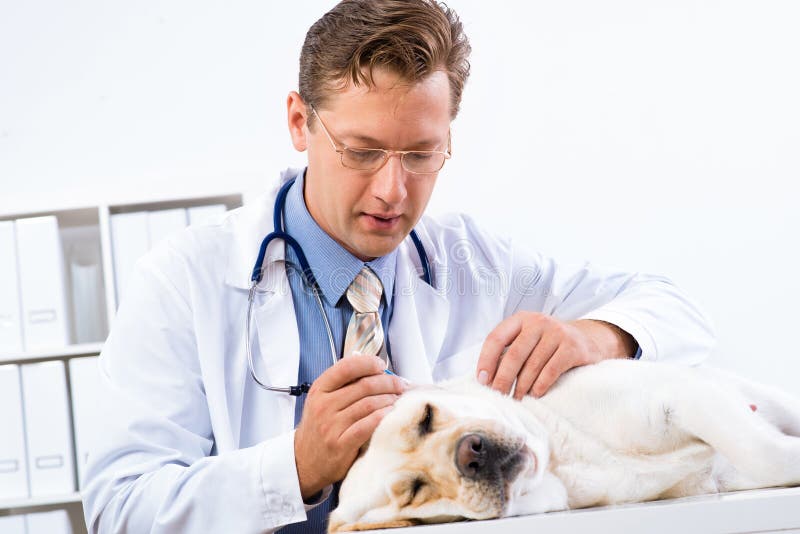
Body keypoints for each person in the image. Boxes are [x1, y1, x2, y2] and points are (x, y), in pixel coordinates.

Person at [82, 1, 716, 532]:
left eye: (421, 154)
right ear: (300, 122)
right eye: (361, 152)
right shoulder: (184, 280)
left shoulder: (475, 263)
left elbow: (676, 311)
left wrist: (595, 337)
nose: (393, 191)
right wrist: (296, 467)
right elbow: (120, 507)